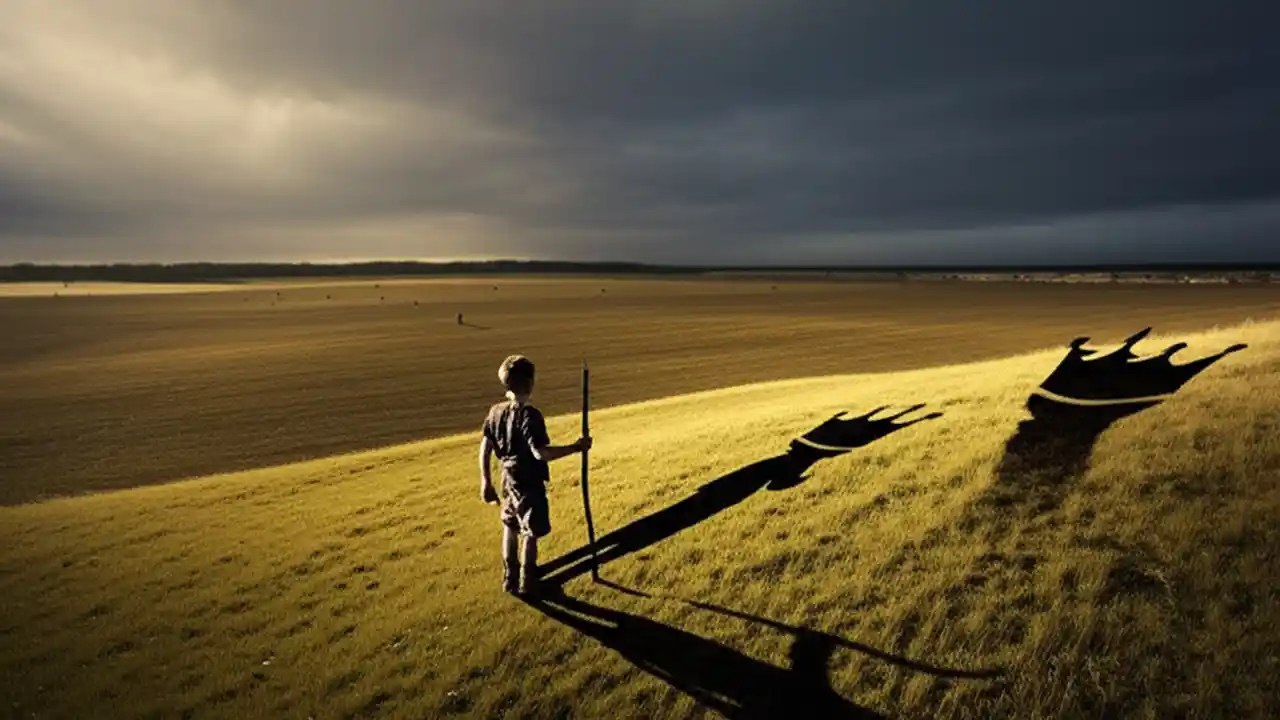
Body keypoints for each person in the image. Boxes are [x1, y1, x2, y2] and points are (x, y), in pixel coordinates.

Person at [479, 355, 591, 595]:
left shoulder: (496, 412)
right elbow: (540, 453)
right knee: (530, 531)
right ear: (530, 383)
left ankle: (509, 577)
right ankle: (528, 580)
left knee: (509, 525)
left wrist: (485, 480)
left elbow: (485, 448)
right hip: (528, 481)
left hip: (506, 479)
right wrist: (575, 447)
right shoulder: (530, 416)